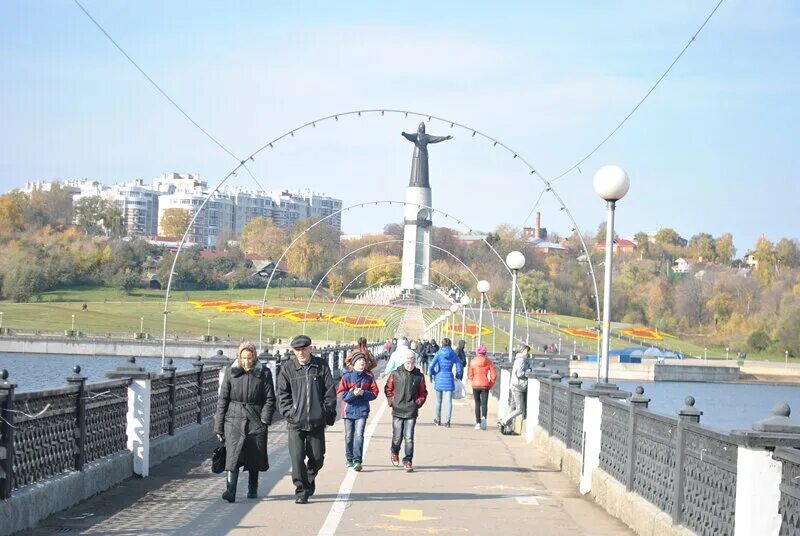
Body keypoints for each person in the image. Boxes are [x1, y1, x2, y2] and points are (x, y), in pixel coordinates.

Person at [276, 335, 336, 504]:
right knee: (297, 458)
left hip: (316, 422)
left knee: (317, 458)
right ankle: (301, 491)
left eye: (303, 349)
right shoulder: (287, 368)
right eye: (297, 350)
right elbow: (282, 395)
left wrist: (324, 412)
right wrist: (290, 413)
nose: (301, 353)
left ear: (311, 348)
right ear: (293, 351)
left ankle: (308, 480)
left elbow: (330, 392)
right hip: (296, 423)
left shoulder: (321, 366)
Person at [214, 341, 276, 503]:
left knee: (254, 454)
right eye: (243, 358)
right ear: (239, 357)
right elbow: (223, 400)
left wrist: (265, 418)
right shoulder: (230, 372)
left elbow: (270, 399)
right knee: (232, 455)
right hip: (233, 419)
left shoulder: (264, 373)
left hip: (256, 418)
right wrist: (218, 426)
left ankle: (252, 488)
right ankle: (230, 491)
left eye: (250, 358)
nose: (247, 361)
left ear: (254, 357)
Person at [384, 352, 427, 472]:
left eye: (412, 363)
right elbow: (388, 389)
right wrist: (392, 401)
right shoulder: (395, 374)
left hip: (411, 411)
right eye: (408, 363)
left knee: (409, 437)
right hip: (397, 410)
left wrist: (418, 403)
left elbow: (423, 392)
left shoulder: (419, 376)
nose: (410, 365)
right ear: (404, 362)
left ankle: (408, 460)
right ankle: (394, 452)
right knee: (397, 437)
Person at [336, 352, 379, 471]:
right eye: (359, 361)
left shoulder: (368, 377)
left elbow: (375, 393)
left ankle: (357, 460)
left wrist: (363, 393)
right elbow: (340, 394)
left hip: (362, 410)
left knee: (359, 434)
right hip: (348, 410)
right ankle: (349, 458)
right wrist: (353, 394)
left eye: (364, 361)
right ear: (354, 363)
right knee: (349, 436)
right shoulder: (347, 377)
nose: (362, 363)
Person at [428, 338, 463, 427]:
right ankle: (447, 422)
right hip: (449, 378)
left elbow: (431, 365)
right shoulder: (453, 354)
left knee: (438, 401)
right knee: (448, 401)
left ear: (442, 344)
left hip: (439, 377)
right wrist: (458, 376)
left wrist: (432, 374)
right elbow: (459, 366)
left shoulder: (439, 353)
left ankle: (438, 420)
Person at [499, 345, 531, 434]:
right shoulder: (522, 359)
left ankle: (508, 429)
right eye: (527, 351)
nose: (527, 353)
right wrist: (528, 371)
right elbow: (520, 373)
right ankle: (503, 421)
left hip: (513, 384)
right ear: (523, 350)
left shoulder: (517, 358)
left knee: (512, 407)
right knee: (519, 409)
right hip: (518, 386)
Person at [468, 344, 496, 430]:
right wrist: (490, 384)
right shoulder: (488, 361)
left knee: (477, 403)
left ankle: (478, 423)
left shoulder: (473, 361)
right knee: (484, 404)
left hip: (475, 384)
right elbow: (494, 375)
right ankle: (484, 418)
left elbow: (470, 375)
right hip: (485, 385)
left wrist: (473, 381)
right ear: (485, 352)